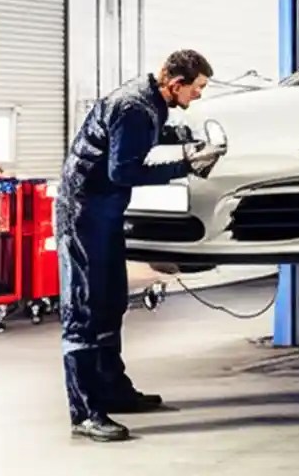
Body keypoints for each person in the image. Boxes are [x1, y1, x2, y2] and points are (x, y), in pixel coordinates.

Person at [55, 49, 224, 442]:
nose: (199, 95)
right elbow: (123, 170)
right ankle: (85, 412)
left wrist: (182, 138)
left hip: (105, 213)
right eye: (197, 88)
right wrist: (186, 166)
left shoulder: (152, 102)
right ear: (175, 84)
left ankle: (113, 390)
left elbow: (137, 137)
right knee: (84, 311)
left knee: (112, 301)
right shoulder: (134, 106)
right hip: (82, 215)